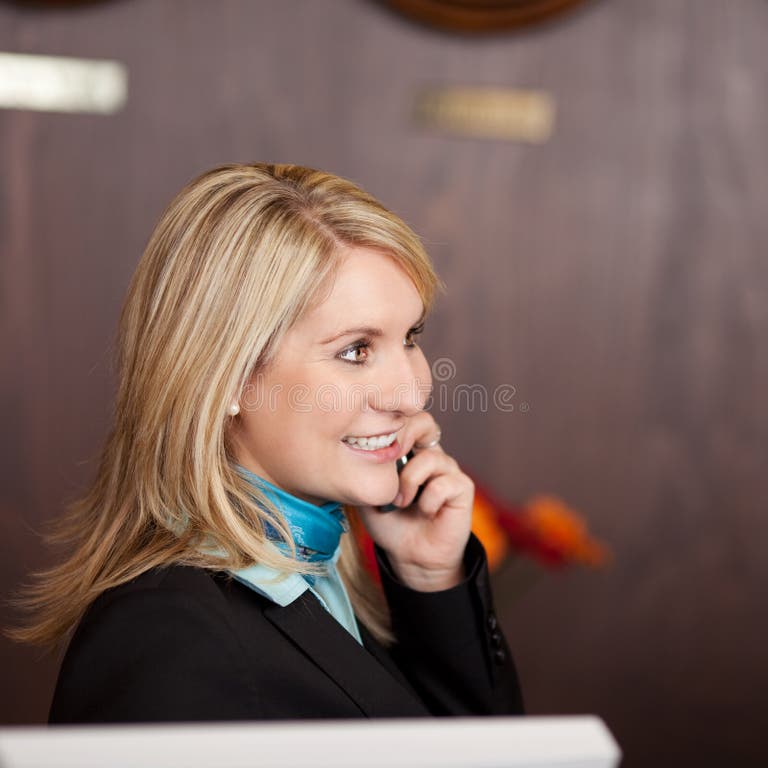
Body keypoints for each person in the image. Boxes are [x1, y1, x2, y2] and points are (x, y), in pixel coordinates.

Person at [15, 163, 524, 721]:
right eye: (355, 350)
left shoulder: (310, 579)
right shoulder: (171, 637)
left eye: (410, 338)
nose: (410, 391)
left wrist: (431, 580)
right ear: (227, 378)